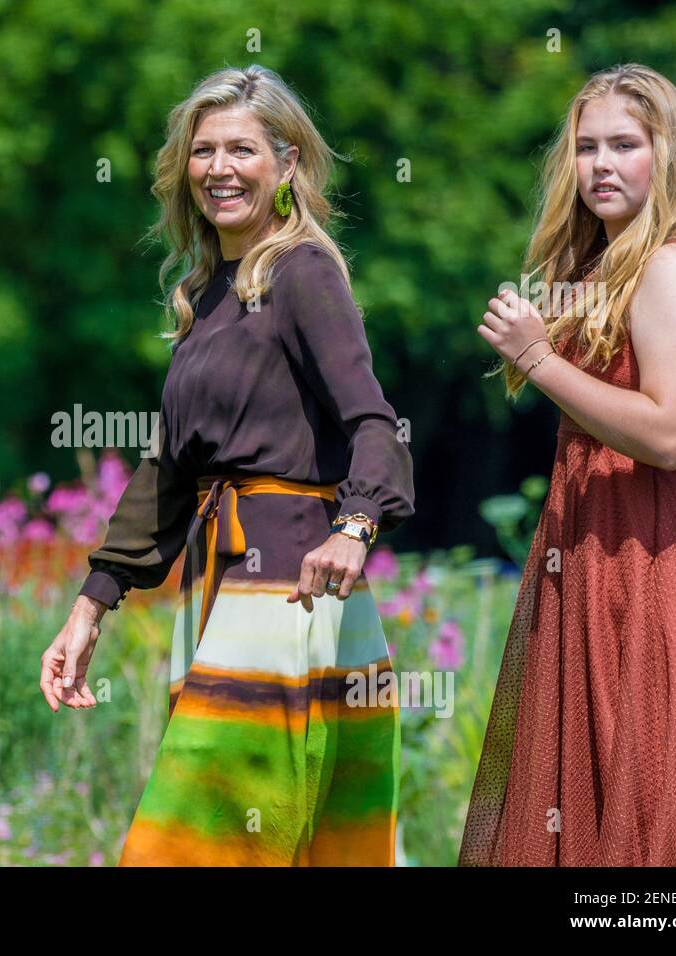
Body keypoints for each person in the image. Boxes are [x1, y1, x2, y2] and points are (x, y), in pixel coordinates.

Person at [38, 65, 414, 866]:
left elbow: (374, 422)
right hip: (219, 589)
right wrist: (91, 604)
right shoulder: (206, 293)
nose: (218, 169)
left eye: (240, 149)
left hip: (289, 591)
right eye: (202, 152)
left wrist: (354, 526)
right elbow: (170, 473)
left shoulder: (301, 272)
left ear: (286, 164)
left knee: (188, 847)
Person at [461, 64, 676, 866]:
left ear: (670, 155)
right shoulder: (607, 266)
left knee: (669, 810)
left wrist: (539, 359)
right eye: (586, 146)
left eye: (625, 144)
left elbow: (671, 434)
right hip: (599, 553)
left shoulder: (673, 264)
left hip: (667, 559)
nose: (600, 165)